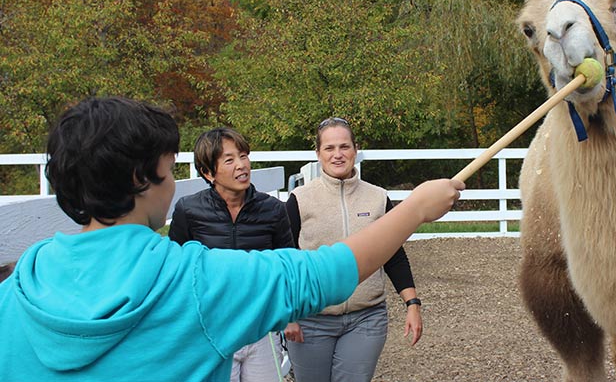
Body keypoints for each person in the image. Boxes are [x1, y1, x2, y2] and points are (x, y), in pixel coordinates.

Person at [0, 96, 463, 381]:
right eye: (168, 168)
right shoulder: (195, 280)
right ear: (143, 178)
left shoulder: (16, 289)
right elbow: (324, 273)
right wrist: (417, 209)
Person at [284, 117, 423, 382]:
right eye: (329, 148)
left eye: (344, 147)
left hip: (366, 318)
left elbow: (394, 254)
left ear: (355, 150)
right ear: (318, 153)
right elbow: (285, 259)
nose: (338, 155)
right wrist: (286, 314)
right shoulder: (299, 201)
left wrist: (412, 303)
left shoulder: (378, 198)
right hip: (312, 320)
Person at [169, 127, 295, 382]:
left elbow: (287, 265)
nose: (241, 165)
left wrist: (290, 316)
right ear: (207, 172)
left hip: (261, 325)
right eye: (229, 160)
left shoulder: (273, 209)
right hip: (211, 330)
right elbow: (176, 271)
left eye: (244, 156)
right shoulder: (189, 210)